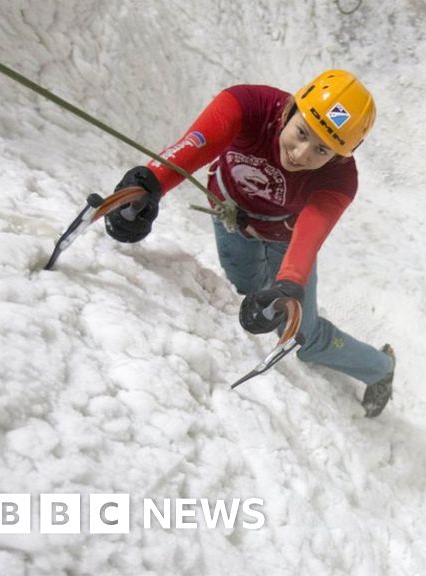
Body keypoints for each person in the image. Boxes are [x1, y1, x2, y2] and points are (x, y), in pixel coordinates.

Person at [103, 70, 395, 417]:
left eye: (321, 150)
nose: (301, 154)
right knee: (244, 290)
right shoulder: (248, 106)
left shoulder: (340, 179)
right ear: (288, 110)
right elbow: (193, 146)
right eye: (301, 133)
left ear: (339, 157)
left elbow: (310, 233)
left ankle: (379, 368)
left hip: (286, 238)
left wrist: (289, 288)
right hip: (231, 217)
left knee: (301, 336)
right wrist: (149, 183)